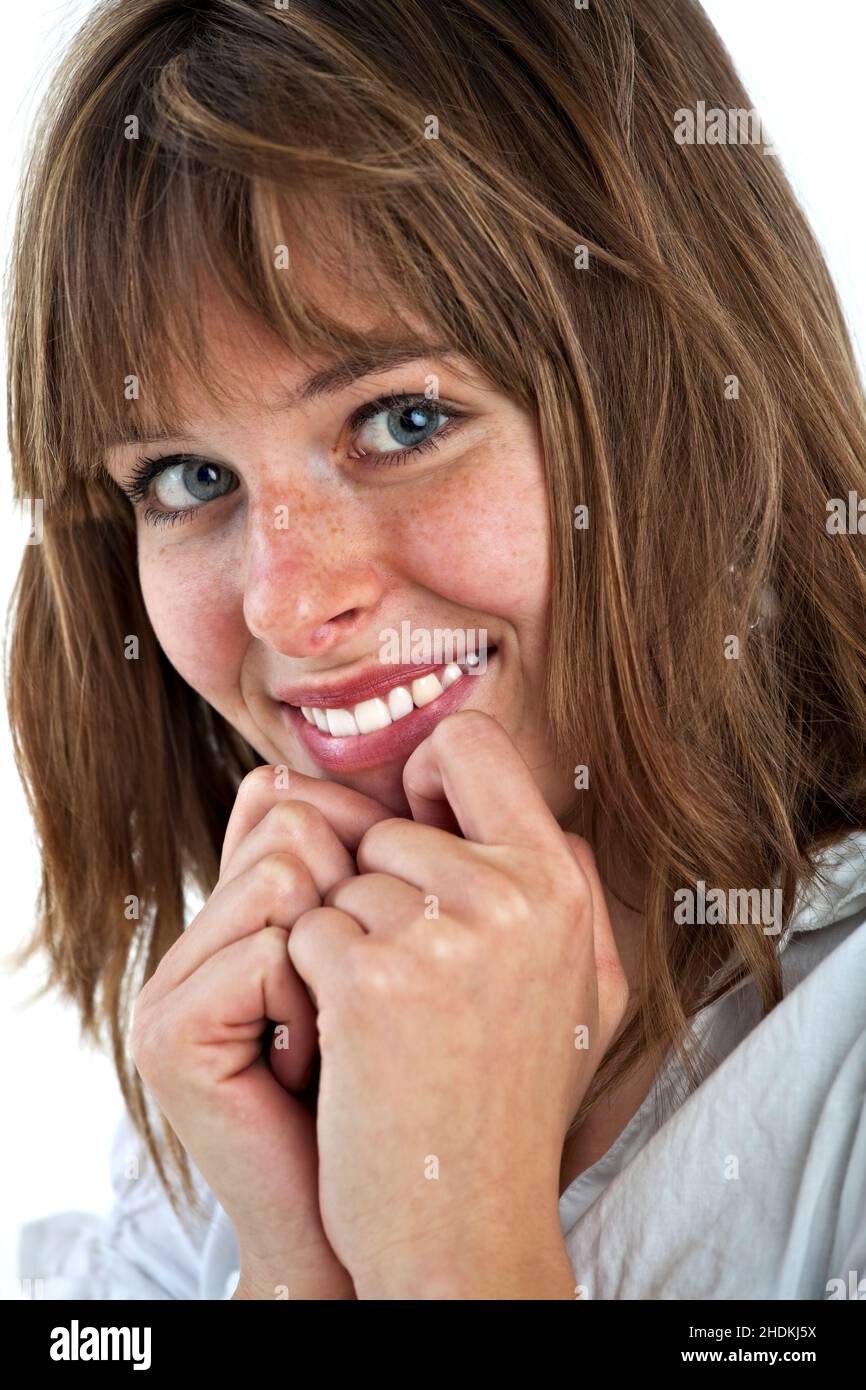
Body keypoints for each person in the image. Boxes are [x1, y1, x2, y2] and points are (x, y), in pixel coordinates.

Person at [8, 0, 866, 1300]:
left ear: (688, 397)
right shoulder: (217, 1120)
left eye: (403, 418)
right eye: (188, 475)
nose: (285, 607)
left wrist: (452, 1248)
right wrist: (296, 1269)